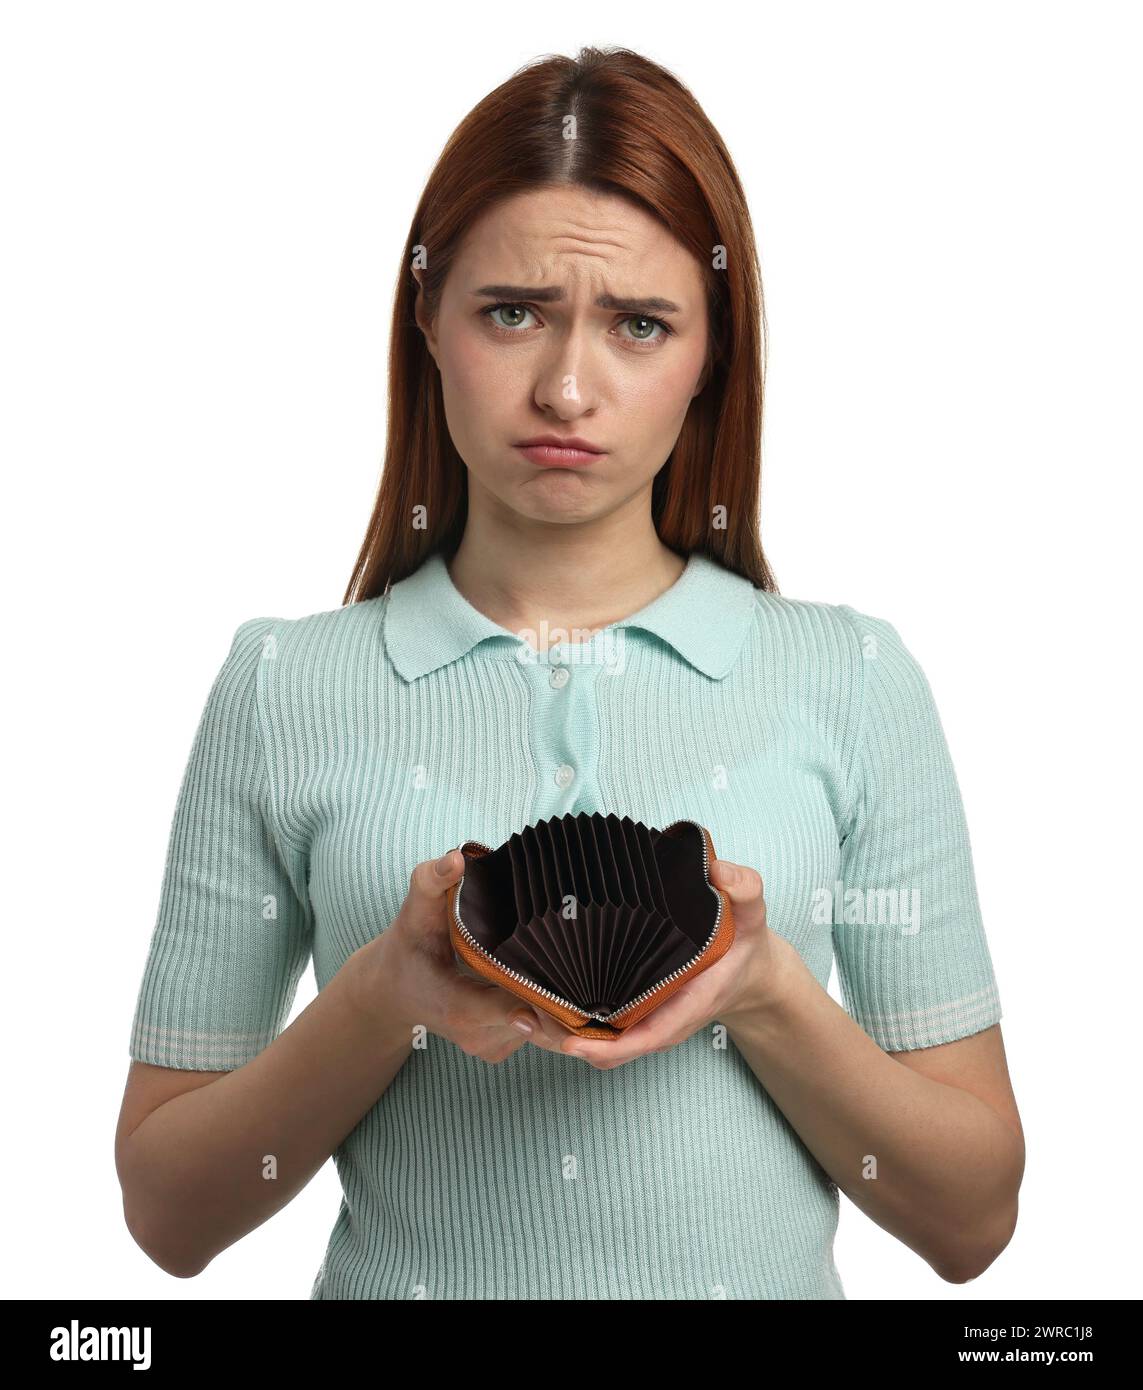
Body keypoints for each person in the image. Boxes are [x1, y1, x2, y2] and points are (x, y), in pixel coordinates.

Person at [115, 45, 1024, 1300]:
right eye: (513, 311)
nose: (567, 387)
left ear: (711, 355)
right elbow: (169, 1216)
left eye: (640, 324)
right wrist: (384, 995)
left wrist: (761, 991)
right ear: (426, 319)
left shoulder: (851, 678)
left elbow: (972, 1224)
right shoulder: (284, 686)